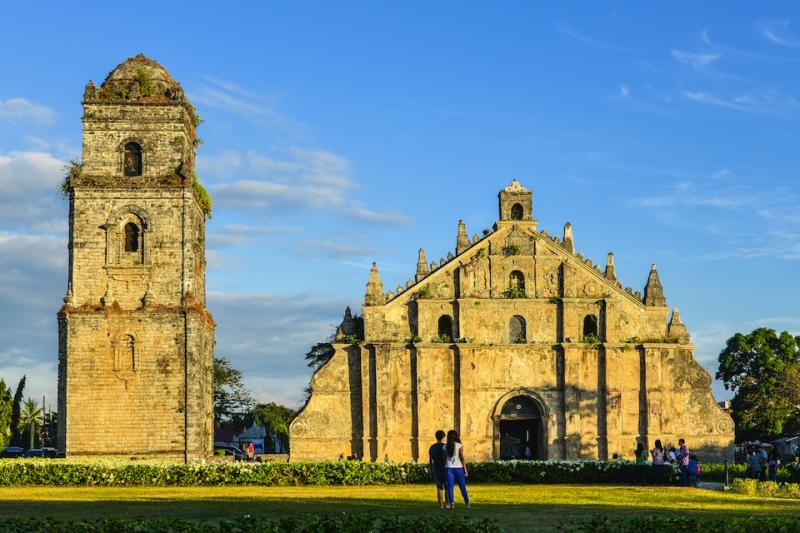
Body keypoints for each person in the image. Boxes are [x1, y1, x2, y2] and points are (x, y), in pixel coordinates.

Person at [445, 429, 470, 509]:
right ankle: (467, 503)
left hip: (448, 468)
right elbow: (461, 458)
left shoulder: (444, 446)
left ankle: (452, 503)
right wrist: (465, 469)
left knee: (450, 487)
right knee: (462, 486)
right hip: (459, 468)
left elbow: (444, 459)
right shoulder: (459, 445)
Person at [428, 430, 448, 510]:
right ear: (443, 437)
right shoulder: (445, 446)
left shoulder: (432, 447)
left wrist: (431, 469)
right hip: (445, 469)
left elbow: (430, 460)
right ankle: (447, 504)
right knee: (447, 488)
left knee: (439, 488)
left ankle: (441, 505)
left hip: (436, 469)